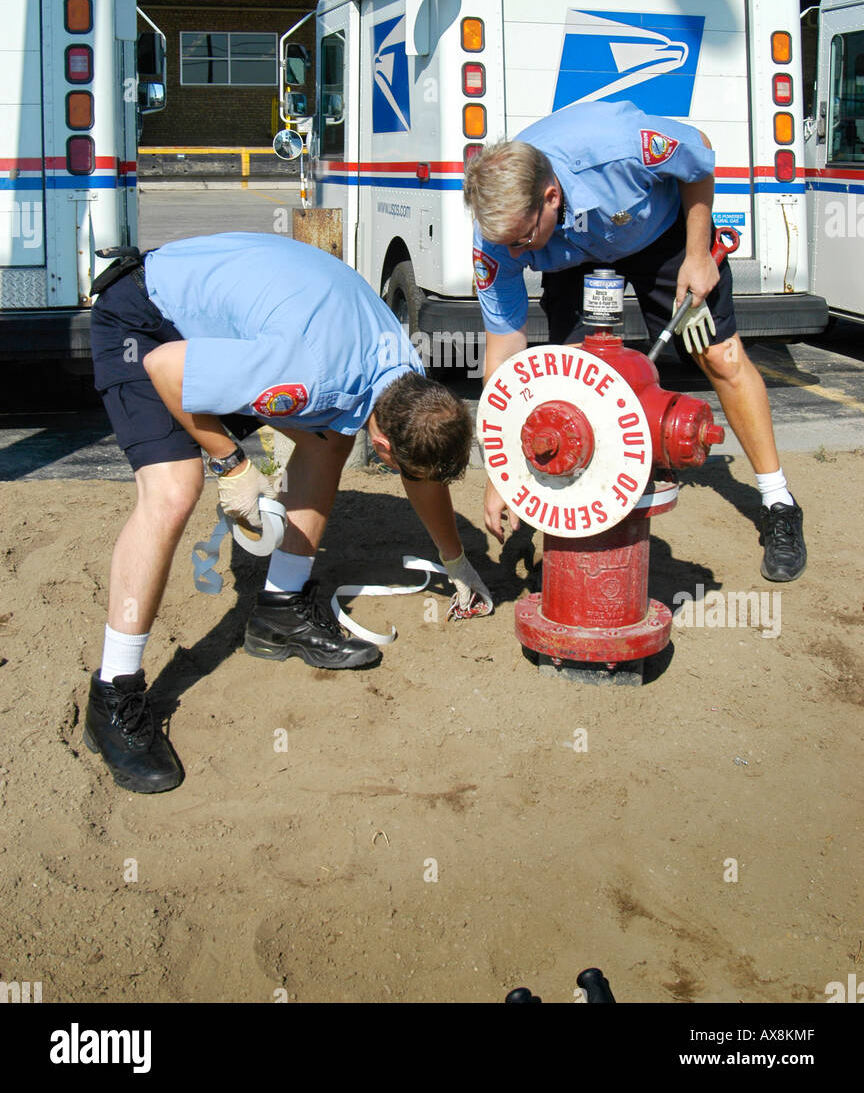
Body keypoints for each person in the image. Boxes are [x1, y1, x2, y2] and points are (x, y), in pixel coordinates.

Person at [85, 233, 492, 794]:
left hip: (230, 322)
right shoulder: (306, 377)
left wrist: (456, 561)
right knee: (174, 490)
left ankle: (280, 611)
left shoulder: (404, 374)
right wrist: (230, 465)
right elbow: (165, 368)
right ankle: (113, 691)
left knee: (329, 437)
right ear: (388, 446)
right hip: (145, 326)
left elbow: (415, 474)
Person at [463, 99, 806, 584]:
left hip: (660, 234)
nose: (514, 253)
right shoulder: (497, 238)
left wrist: (697, 256)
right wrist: (502, 471)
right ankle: (588, 507)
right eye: (506, 243)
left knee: (720, 356)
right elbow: (503, 350)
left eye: (522, 240)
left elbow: (700, 153)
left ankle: (778, 502)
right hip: (575, 261)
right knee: (574, 382)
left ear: (550, 195)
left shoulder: (617, 149)